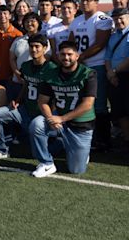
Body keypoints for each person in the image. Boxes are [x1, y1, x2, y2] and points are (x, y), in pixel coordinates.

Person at [31, 41, 97, 177]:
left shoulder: (88, 73)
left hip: (80, 124)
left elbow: (88, 104)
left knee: (76, 170)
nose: (66, 58)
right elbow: (42, 101)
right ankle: (47, 163)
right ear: (58, 55)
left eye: (69, 54)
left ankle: (71, 147)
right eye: (62, 54)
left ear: (77, 56)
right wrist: (51, 118)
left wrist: (61, 118)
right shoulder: (51, 73)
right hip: (59, 121)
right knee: (36, 124)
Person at [0, 33, 55, 160]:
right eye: (31, 46)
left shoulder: (52, 69)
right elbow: (26, 85)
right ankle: (1, 149)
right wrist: (17, 101)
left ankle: (60, 143)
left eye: (37, 46)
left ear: (45, 48)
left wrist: (51, 115)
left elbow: (56, 95)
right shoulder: (26, 66)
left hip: (42, 115)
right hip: (25, 110)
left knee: (36, 154)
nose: (34, 49)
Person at [71, 0, 113, 151]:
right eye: (83, 0)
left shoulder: (102, 19)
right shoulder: (77, 20)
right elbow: (71, 42)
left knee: (98, 104)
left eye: (89, 0)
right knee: (82, 102)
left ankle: (103, 139)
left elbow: (100, 44)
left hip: (96, 65)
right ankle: (88, 135)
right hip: (80, 67)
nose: (85, 3)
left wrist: (80, 57)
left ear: (97, 1)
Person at [105, 7, 129, 155]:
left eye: (121, 18)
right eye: (116, 18)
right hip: (114, 77)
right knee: (120, 111)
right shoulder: (113, 36)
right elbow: (107, 57)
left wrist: (113, 72)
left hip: (128, 76)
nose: (119, 21)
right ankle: (126, 141)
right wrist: (110, 73)